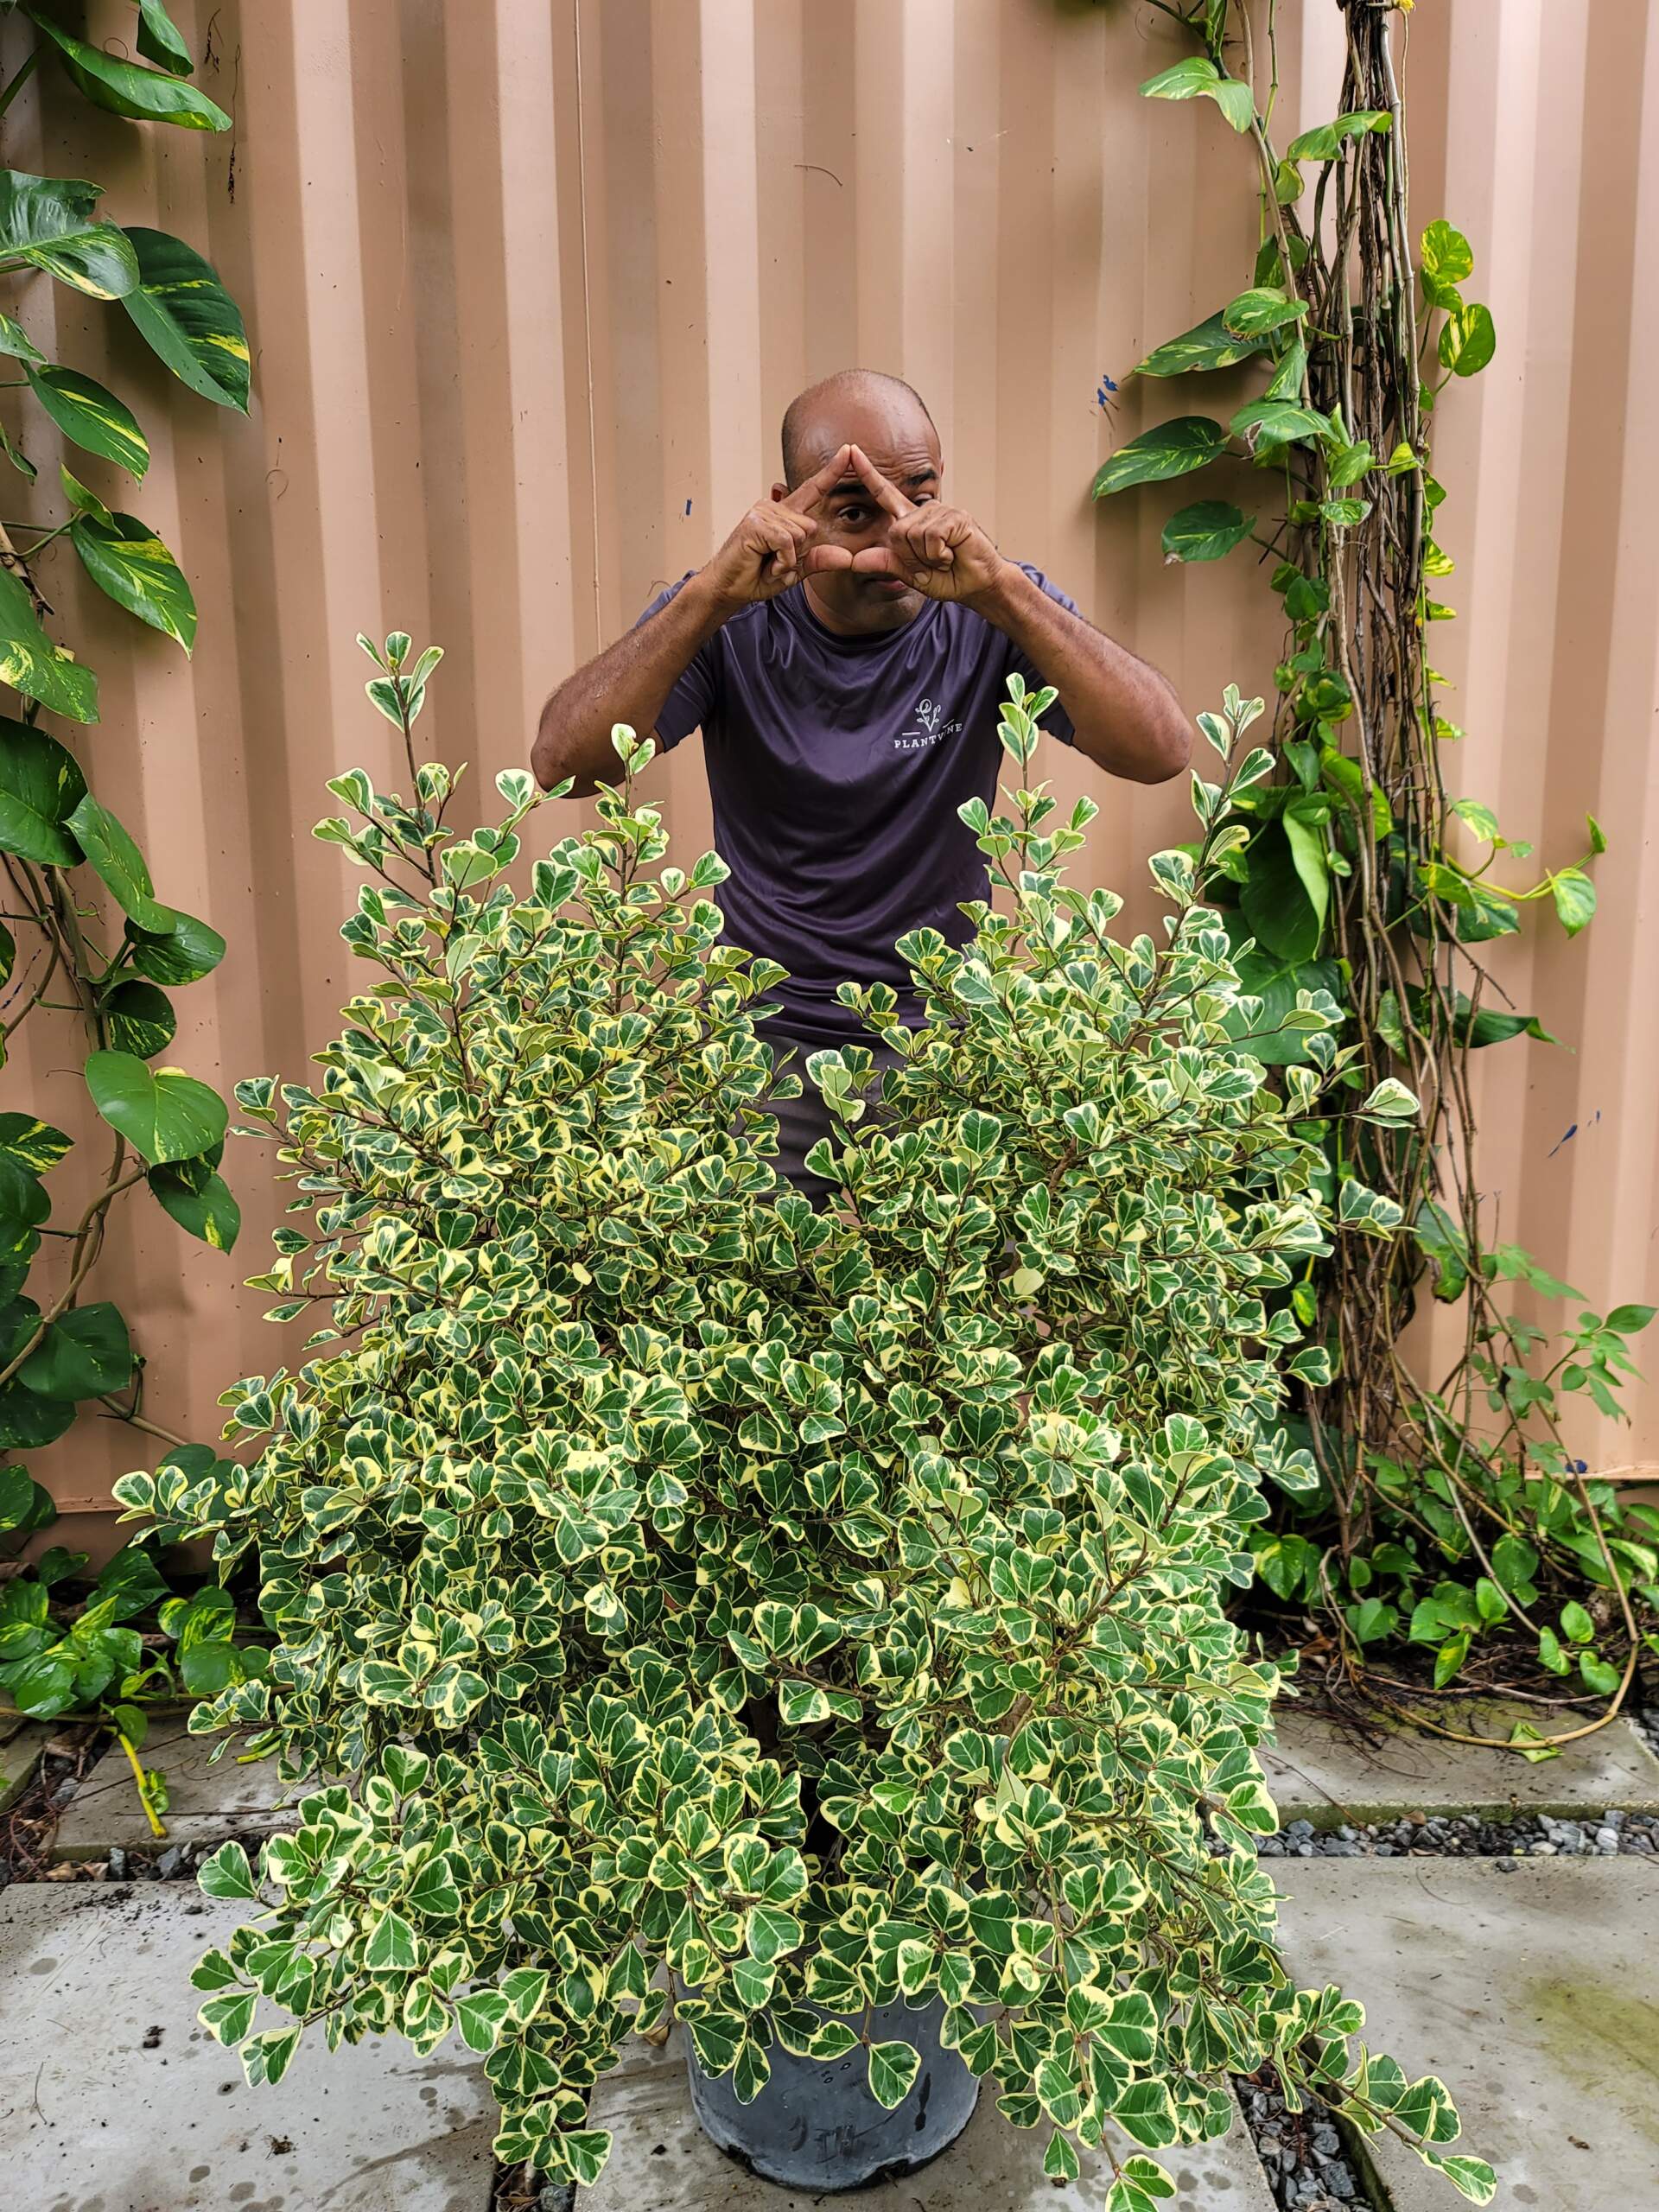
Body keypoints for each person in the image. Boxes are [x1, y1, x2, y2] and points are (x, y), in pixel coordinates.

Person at [532, 367, 1190, 1195]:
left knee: (956, 1316)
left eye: (918, 497)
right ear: (790, 506)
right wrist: (706, 596)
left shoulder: (988, 604)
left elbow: (1160, 750)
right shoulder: (728, 619)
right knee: (761, 1309)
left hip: (945, 1041)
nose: (895, 538)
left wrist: (1007, 594)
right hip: (768, 1043)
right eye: (855, 510)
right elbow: (563, 770)